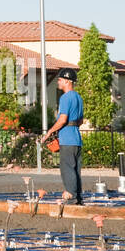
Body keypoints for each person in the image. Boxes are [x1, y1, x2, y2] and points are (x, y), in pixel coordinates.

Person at [41, 67, 83, 204]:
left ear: (67, 81)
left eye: (59, 80)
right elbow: (80, 120)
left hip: (67, 139)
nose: (58, 82)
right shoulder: (78, 97)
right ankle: (78, 198)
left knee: (67, 169)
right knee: (76, 170)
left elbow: (62, 119)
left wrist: (50, 132)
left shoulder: (65, 97)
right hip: (76, 138)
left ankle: (71, 197)